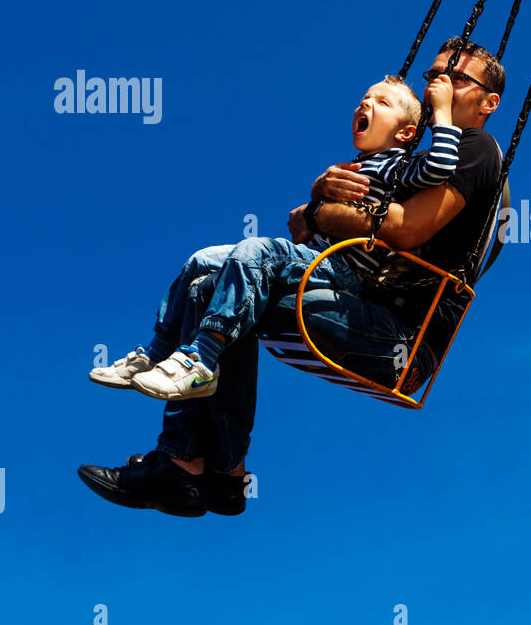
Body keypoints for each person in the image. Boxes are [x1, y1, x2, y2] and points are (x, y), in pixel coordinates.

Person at [77, 38, 505, 517]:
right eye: (432, 75)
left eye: (454, 77)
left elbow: (405, 230)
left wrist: (322, 210)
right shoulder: (405, 163)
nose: (437, 85)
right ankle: (206, 471)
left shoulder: (477, 148)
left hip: (400, 339)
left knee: (239, 279)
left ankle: (196, 446)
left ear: (489, 102)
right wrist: (326, 195)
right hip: (360, 303)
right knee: (208, 288)